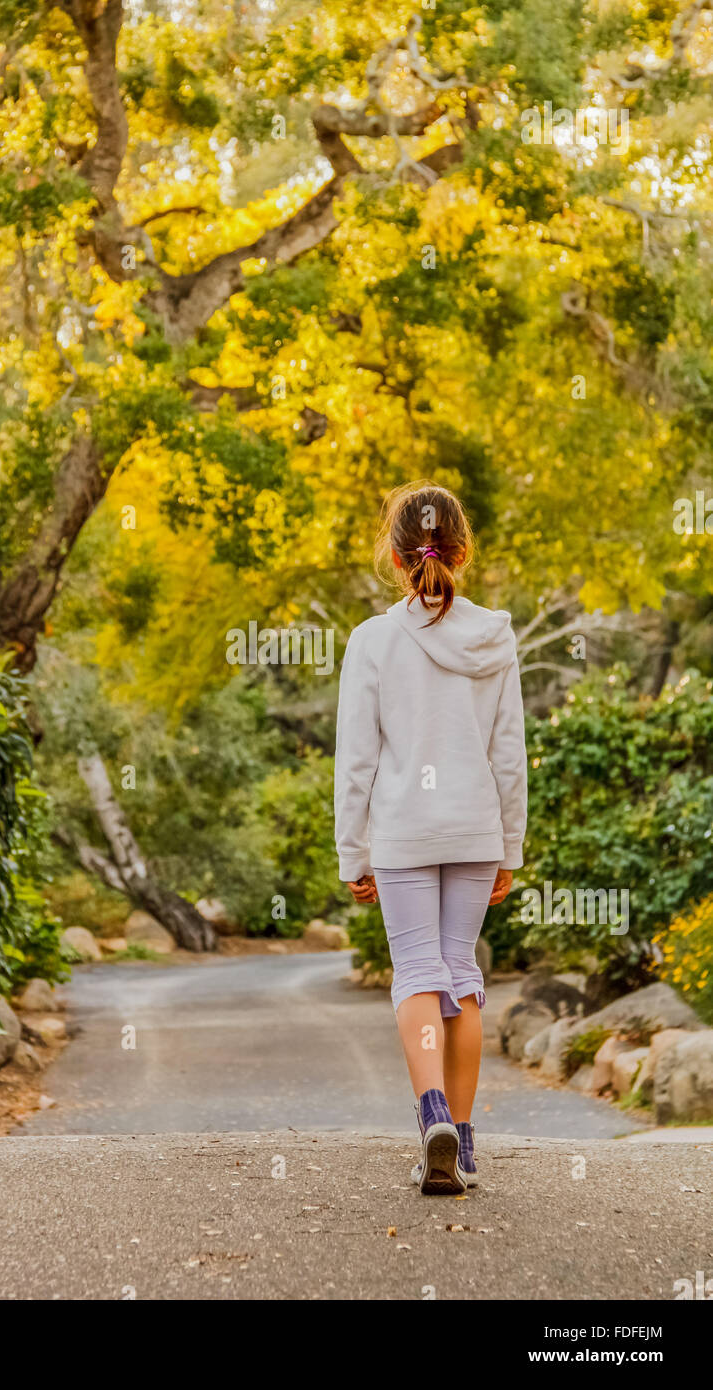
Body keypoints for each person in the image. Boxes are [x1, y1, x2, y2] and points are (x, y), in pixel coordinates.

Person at [334, 481, 527, 1193]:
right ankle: (466, 1144)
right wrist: (512, 845)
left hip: (404, 832)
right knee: (462, 973)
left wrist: (352, 851)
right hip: (476, 827)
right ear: (462, 550)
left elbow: (357, 757)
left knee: (417, 972)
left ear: (393, 555)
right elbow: (510, 752)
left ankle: (432, 1116)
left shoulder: (373, 640)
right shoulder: (494, 635)